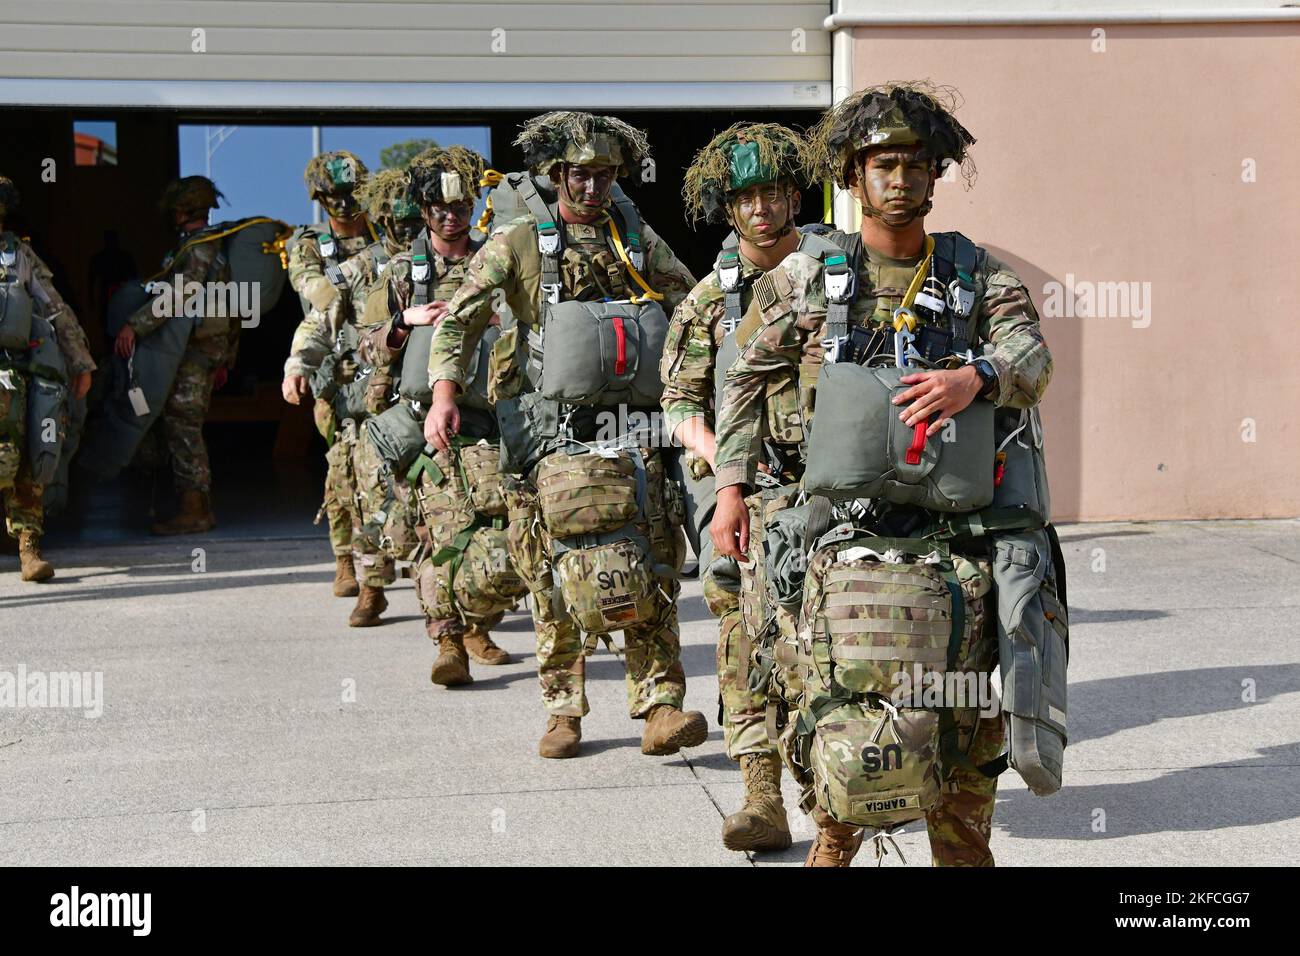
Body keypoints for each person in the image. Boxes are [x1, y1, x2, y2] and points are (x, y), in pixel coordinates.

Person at [711, 84, 1054, 866]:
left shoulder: (978, 277)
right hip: (839, 530)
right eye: (883, 164)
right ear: (853, 175)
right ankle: (832, 841)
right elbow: (742, 376)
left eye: (915, 165)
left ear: (937, 178)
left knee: (966, 719)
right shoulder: (808, 277)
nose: (899, 179)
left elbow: (1034, 358)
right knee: (836, 701)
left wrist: (979, 376)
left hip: (957, 534)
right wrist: (732, 488)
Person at [423, 112, 706, 759]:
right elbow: (460, 320)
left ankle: (660, 706)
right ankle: (563, 713)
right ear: (556, 175)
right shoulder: (519, 241)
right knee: (549, 573)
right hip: (546, 434)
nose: (594, 187)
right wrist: (443, 395)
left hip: (632, 431)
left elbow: (690, 303)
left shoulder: (633, 239)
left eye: (606, 174)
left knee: (653, 560)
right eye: (581, 174)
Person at [659, 123, 828, 851]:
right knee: (738, 616)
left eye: (772, 193)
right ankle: (761, 792)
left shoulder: (836, 275)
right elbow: (677, 405)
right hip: (746, 489)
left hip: (831, 483)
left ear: (795, 195)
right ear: (727, 210)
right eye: (745, 198)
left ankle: (841, 785)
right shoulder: (708, 301)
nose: (761, 209)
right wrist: (729, 471)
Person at [359, 146, 520, 681]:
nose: (451, 217)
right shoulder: (406, 270)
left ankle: (478, 624)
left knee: (496, 528)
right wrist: (403, 322)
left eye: (460, 206)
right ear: (423, 211)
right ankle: (448, 640)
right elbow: (362, 347)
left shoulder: (495, 260)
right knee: (439, 531)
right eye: (438, 208)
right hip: (427, 422)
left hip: (489, 419)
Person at [281, 151, 395, 622]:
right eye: (335, 197)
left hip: (384, 370)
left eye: (353, 195)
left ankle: (383, 563)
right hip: (336, 373)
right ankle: (345, 559)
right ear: (320, 199)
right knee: (340, 471)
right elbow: (313, 289)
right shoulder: (309, 244)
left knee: (386, 473)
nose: (346, 205)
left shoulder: (387, 238)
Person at [114, 176, 236, 535]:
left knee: (183, 426)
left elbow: (182, 293)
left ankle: (194, 510)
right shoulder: (205, 247)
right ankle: (197, 506)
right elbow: (234, 308)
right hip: (202, 350)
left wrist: (135, 325)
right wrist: (227, 356)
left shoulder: (199, 250)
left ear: (184, 210)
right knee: (181, 424)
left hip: (195, 352)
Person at [0, 174, 95, 579]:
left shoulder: (17, 254)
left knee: (31, 451)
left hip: (18, 368)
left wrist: (80, 359)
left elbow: (54, 308)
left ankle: (29, 548)